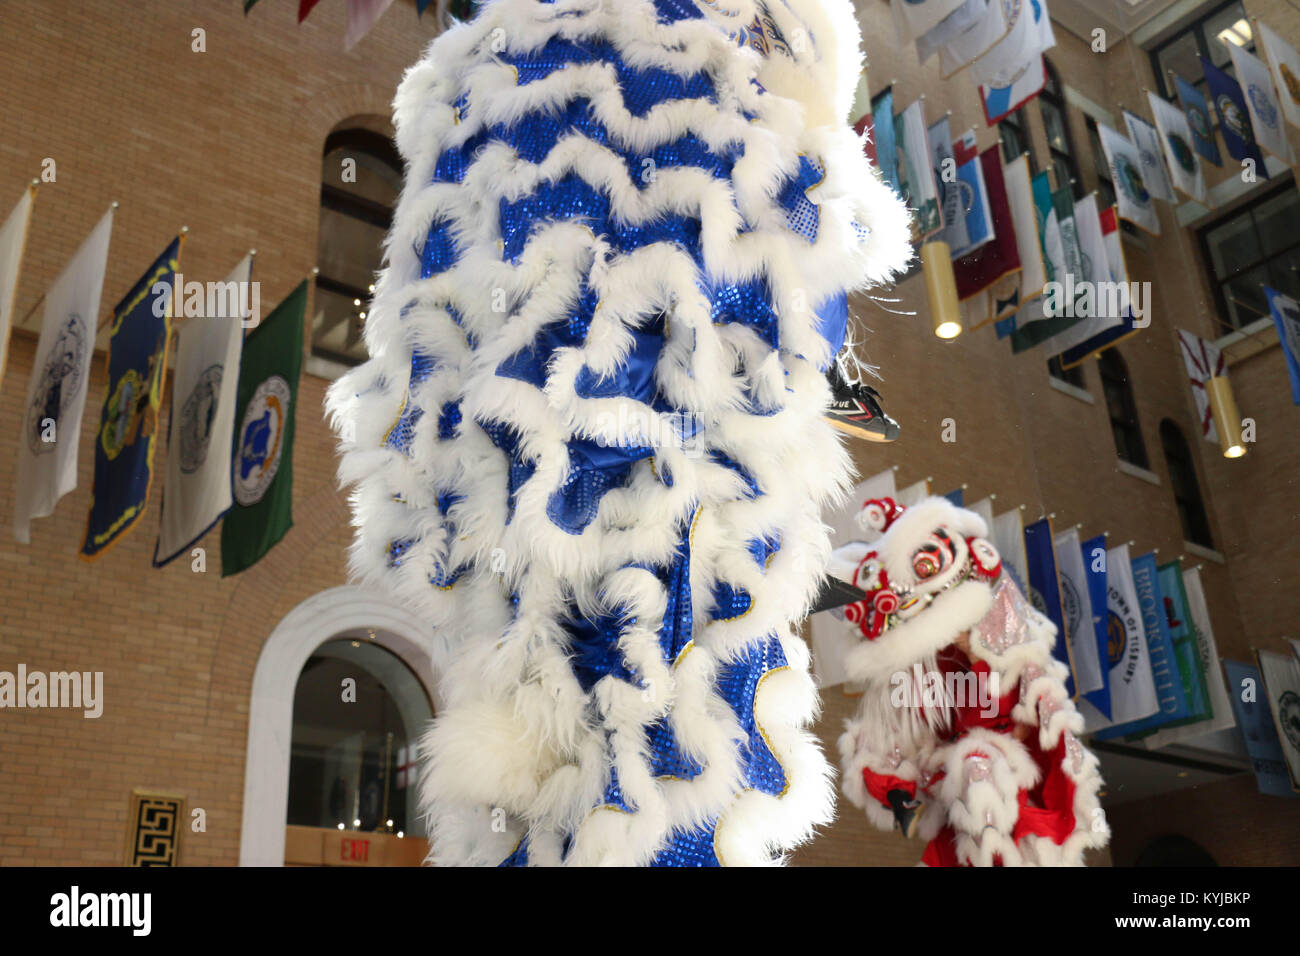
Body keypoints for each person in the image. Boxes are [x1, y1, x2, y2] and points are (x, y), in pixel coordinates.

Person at [328, 0, 912, 865]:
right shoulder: (728, 54)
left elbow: (426, 324)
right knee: (667, 756)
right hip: (676, 501)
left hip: (538, 501)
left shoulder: (489, 70)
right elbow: (793, 285)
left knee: (551, 754)